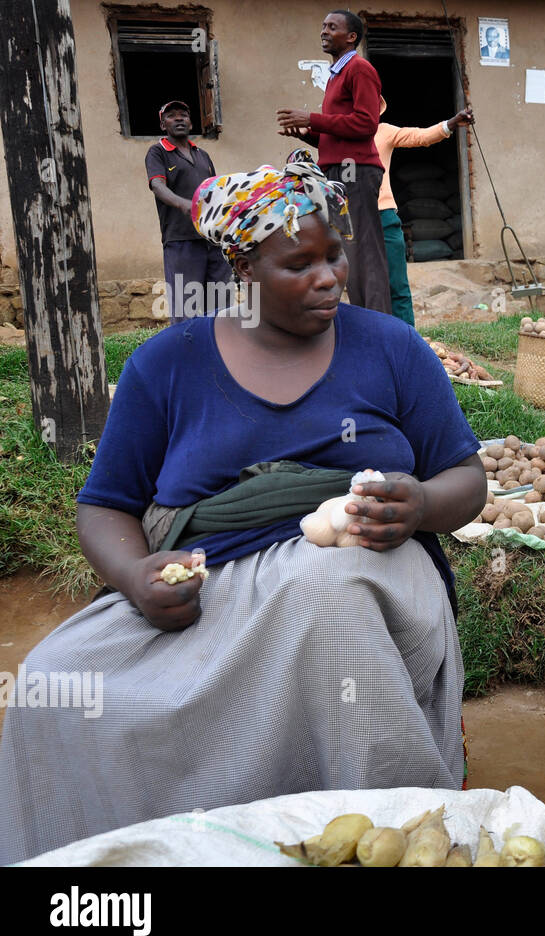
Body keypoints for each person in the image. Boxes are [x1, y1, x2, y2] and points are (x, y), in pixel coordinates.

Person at [0, 152, 486, 864]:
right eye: (300, 265)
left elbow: (465, 480)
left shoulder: (390, 349)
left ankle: (386, 833)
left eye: (335, 255)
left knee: (330, 595)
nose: (328, 278)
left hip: (360, 579)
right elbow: (104, 507)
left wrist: (419, 506)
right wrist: (138, 578)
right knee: (52, 684)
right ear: (244, 271)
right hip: (209, 591)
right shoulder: (168, 364)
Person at [276, 9, 390, 314]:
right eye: (323, 26)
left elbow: (366, 124)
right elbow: (338, 133)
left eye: (332, 27)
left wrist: (312, 118)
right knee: (346, 248)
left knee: (363, 248)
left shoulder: (359, 69)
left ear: (351, 37)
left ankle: (378, 323)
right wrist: (307, 134)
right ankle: (362, 318)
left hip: (355, 169)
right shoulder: (337, 75)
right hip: (336, 169)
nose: (324, 31)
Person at [375, 98, 474, 326]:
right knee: (366, 287)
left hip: (384, 214)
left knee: (397, 285)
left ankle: (407, 342)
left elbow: (420, 136)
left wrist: (451, 123)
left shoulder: (384, 132)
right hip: (355, 220)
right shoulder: (343, 136)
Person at [145, 100, 230, 323]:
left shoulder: (202, 155)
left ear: (191, 123)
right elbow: (157, 186)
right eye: (172, 116)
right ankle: (187, 352)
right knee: (187, 307)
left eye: (183, 114)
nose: (179, 118)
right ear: (163, 125)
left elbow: (214, 190)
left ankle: (218, 352)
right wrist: (184, 204)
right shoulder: (158, 152)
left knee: (220, 305)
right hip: (181, 240)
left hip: (212, 239)